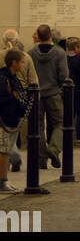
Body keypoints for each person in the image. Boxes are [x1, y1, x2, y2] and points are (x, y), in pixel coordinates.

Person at [29, 23, 68, 167]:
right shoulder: (59, 53)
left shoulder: (31, 53)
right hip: (53, 93)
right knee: (60, 123)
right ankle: (53, 149)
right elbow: (64, 75)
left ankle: (41, 159)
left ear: (38, 37)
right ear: (50, 36)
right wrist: (60, 88)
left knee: (38, 127)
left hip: (36, 93)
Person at [0, 49, 29, 194]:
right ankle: (1, 181)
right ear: (14, 63)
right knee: (3, 151)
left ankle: (4, 180)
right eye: (22, 62)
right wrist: (16, 101)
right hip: (4, 120)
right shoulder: (4, 79)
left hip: (11, 119)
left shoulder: (12, 77)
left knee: (6, 150)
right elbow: (4, 99)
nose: (24, 64)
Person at [65, 37, 80, 144]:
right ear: (76, 47)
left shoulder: (63, 58)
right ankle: (79, 136)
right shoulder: (79, 59)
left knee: (68, 112)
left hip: (66, 89)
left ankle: (66, 135)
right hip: (79, 88)